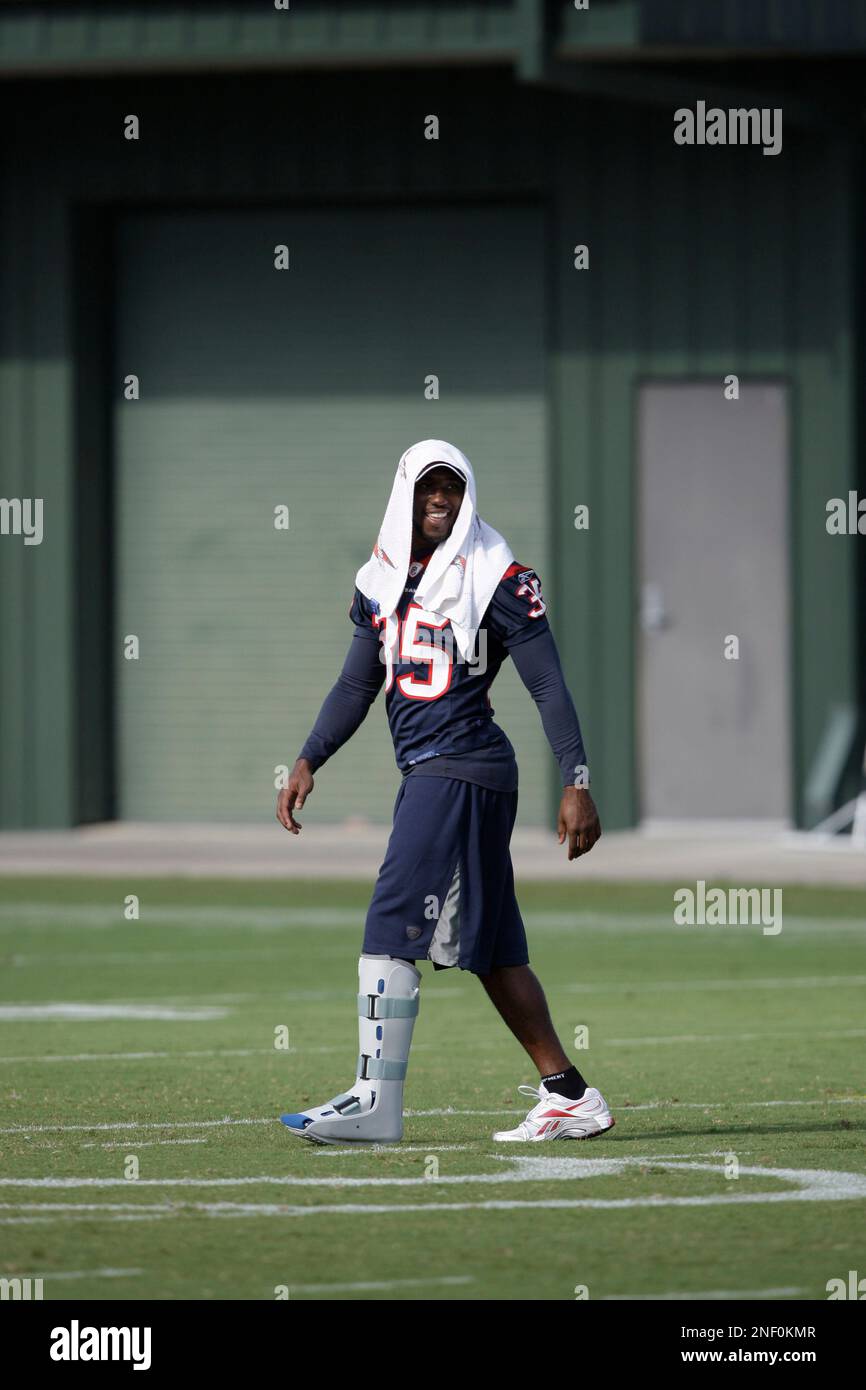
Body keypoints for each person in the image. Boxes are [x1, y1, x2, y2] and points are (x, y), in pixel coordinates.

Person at [276, 439, 614, 1145]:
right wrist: (310, 756)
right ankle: (569, 1093)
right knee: (491, 950)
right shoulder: (383, 575)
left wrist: (577, 779)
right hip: (437, 770)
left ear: (467, 496)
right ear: (407, 491)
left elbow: (547, 682)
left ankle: (375, 1104)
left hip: (460, 764)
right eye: (429, 487)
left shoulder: (495, 574)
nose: (440, 500)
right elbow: (356, 683)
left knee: (389, 924)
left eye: (451, 489)